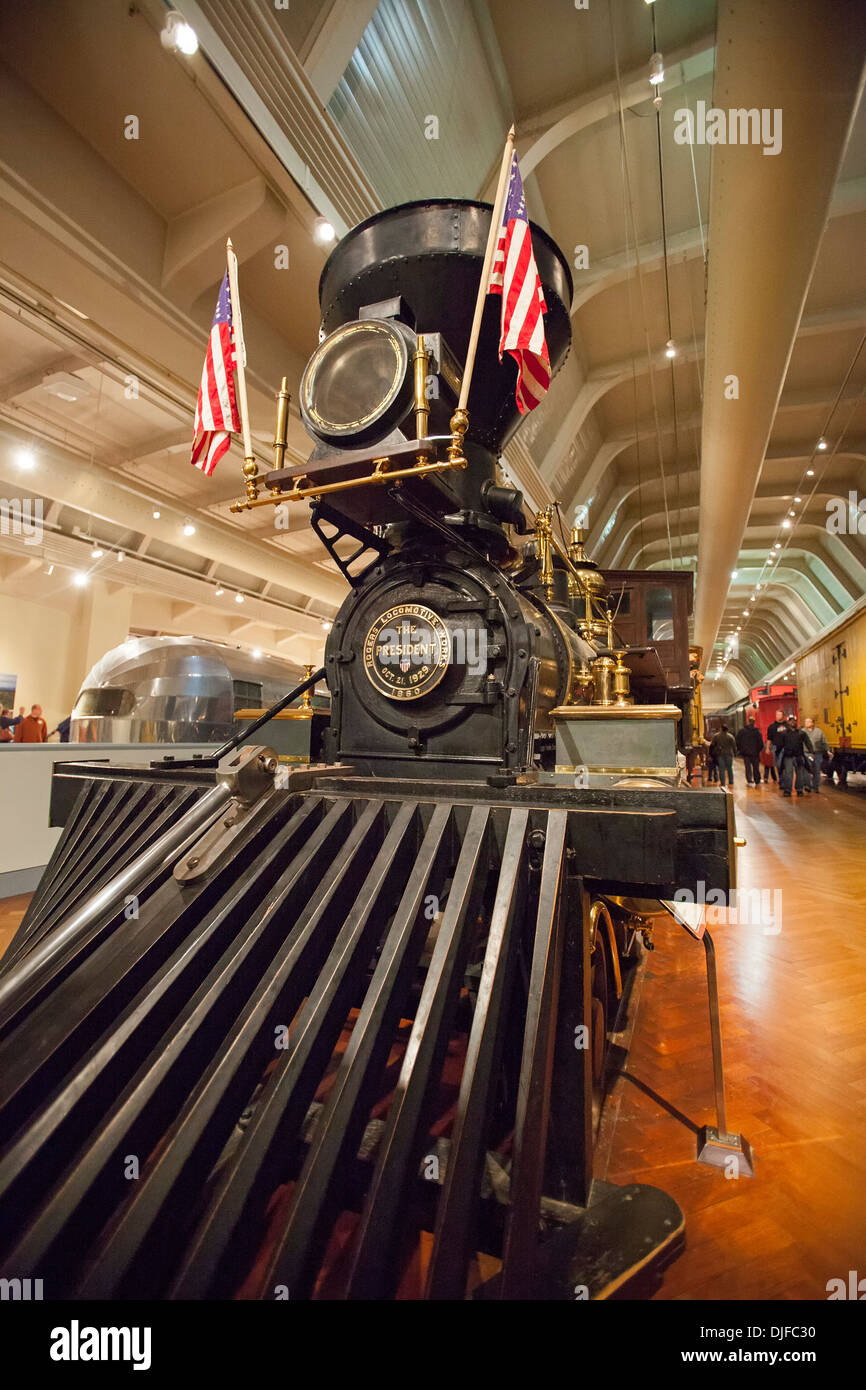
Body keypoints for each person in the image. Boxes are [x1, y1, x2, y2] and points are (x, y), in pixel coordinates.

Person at [779, 715, 812, 797]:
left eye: (794, 720)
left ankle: (799, 789)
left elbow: (808, 743)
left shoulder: (801, 733)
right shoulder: (784, 733)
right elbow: (780, 745)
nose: (792, 722)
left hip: (799, 756)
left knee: (800, 773)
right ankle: (788, 790)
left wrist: (811, 752)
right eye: (790, 720)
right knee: (788, 773)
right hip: (788, 756)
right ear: (788, 722)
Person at [802, 717, 829, 792]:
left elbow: (824, 742)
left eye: (808, 722)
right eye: (805, 722)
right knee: (807, 770)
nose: (806, 723)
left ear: (812, 723)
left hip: (817, 753)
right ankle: (807, 785)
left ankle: (815, 787)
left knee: (817, 770)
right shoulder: (802, 732)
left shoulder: (819, 732)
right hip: (806, 753)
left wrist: (828, 750)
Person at [736, 715, 763, 786]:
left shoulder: (742, 731)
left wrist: (741, 750)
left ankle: (749, 780)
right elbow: (760, 742)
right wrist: (758, 750)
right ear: (754, 723)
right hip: (755, 753)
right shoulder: (757, 731)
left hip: (746, 753)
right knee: (756, 767)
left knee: (748, 767)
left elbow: (738, 741)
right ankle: (757, 780)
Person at [766, 708, 787, 778]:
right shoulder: (772, 727)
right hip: (775, 747)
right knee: (778, 764)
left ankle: (784, 779)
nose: (778, 716)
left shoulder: (787, 725)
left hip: (786, 747)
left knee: (784, 764)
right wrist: (767, 748)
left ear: (783, 716)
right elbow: (769, 738)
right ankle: (781, 777)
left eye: (779, 714)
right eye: (777, 714)